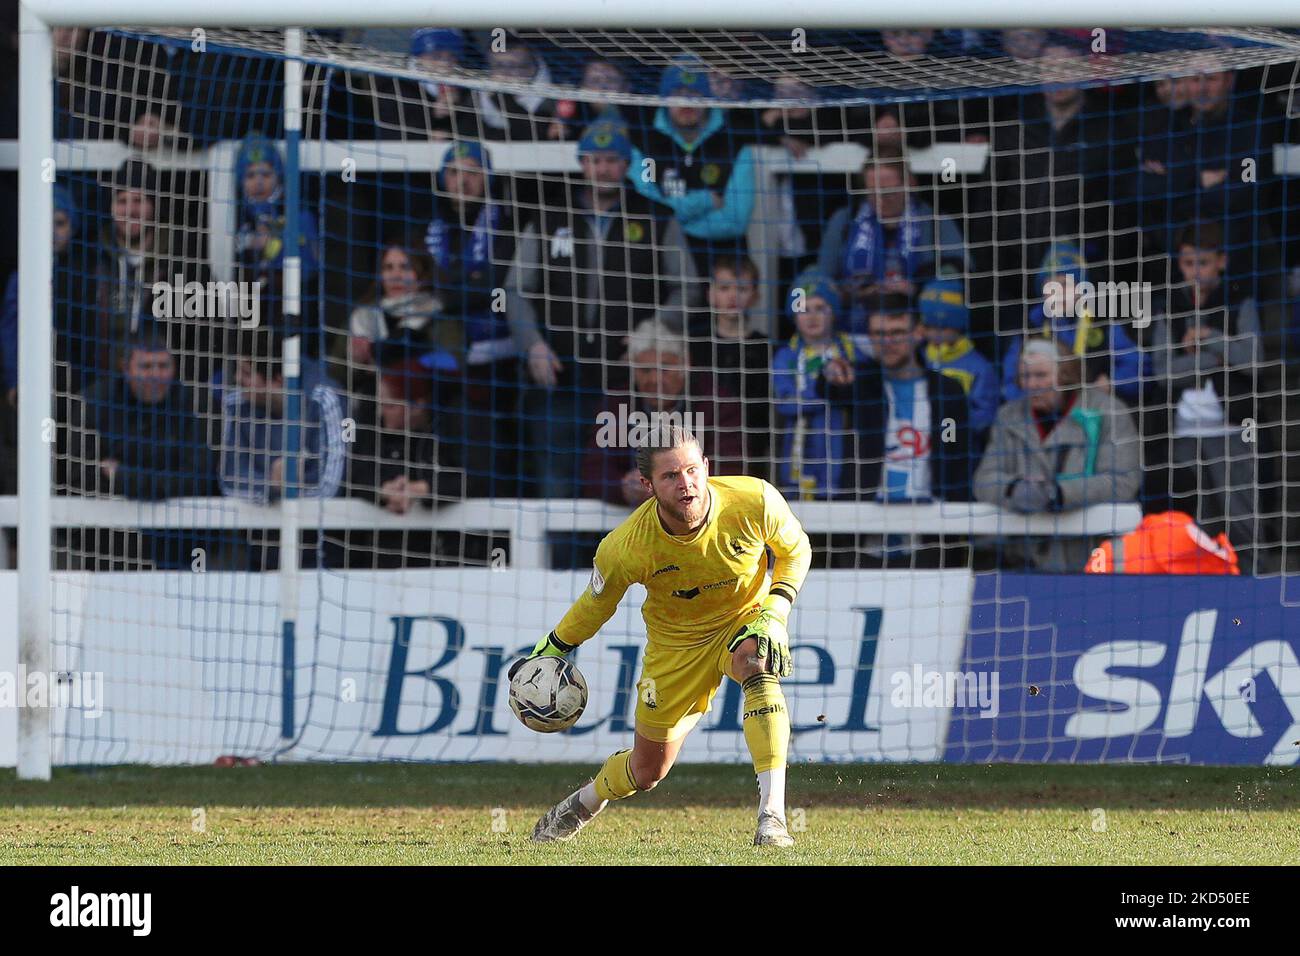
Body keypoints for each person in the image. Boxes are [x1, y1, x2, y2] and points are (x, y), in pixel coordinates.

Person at [520, 424, 812, 848]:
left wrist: (774, 613)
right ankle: (585, 801)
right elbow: (596, 603)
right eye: (670, 476)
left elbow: (795, 550)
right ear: (647, 484)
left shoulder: (755, 500)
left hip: (743, 619)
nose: (687, 484)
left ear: (706, 467)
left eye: (693, 470)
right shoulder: (625, 547)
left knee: (757, 660)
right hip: (675, 646)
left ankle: (772, 819)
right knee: (648, 772)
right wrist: (553, 646)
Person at [507, 119, 697, 498]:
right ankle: (561, 561)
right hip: (559, 377)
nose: (603, 169)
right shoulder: (549, 216)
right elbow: (515, 289)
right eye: (594, 160)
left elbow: (689, 289)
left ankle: (614, 561)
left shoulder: (656, 217)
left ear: (626, 164)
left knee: (620, 482)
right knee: (556, 479)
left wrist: (651, 333)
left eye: (612, 160)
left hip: (625, 383)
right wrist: (532, 345)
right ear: (583, 164)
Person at [974, 338, 1141, 571]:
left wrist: (1060, 493)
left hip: (1093, 558)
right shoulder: (1008, 416)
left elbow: (1123, 480)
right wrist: (1014, 489)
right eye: (1025, 376)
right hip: (1024, 559)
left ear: (1064, 375)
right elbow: (985, 478)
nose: (1031, 384)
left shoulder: (1109, 412)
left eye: (1041, 375)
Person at [73, 329, 219, 568]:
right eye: (146, 366)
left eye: (163, 366)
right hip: (111, 543)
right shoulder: (93, 403)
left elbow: (198, 479)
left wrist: (122, 476)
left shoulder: (196, 403)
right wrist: (162, 478)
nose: (155, 375)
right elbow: (80, 477)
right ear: (126, 368)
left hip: (184, 542)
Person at [583, 319, 742, 505]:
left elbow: (731, 469)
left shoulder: (715, 402)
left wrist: (672, 484)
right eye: (645, 370)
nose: (655, 379)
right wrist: (622, 486)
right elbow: (593, 471)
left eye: (665, 369)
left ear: (685, 365)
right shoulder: (615, 404)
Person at [817, 158, 968, 341]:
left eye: (890, 192)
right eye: (873, 193)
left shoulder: (935, 221)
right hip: (854, 324)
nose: (882, 200)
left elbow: (960, 269)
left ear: (909, 185)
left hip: (918, 329)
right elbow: (823, 278)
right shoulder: (845, 220)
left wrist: (919, 288)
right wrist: (848, 293)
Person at [629, 60, 758, 272]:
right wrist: (706, 200)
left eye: (694, 93)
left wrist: (674, 224)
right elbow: (649, 211)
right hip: (662, 267)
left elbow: (736, 220)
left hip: (723, 271)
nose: (686, 102)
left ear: (708, 97)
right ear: (664, 98)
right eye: (677, 93)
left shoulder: (735, 143)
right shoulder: (643, 145)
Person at [345, 358, 467, 569]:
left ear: (418, 406)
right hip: (378, 563)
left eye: (391, 406)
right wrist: (383, 491)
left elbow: (469, 481)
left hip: (438, 563)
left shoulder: (444, 435)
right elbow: (354, 474)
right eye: (381, 405)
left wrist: (421, 489)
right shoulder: (371, 434)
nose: (383, 413)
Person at [999, 243, 1148, 405]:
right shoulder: (1030, 327)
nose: (1057, 293)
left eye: (1065, 284)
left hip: (1091, 410)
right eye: (1050, 285)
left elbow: (1141, 367)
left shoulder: (1102, 323)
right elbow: (1009, 382)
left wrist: (1113, 382)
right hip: (1042, 414)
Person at [771, 274, 859, 500]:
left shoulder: (851, 350)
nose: (812, 316)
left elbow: (858, 396)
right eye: (803, 308)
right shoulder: (786, 356)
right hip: (797, 453)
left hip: (843, 449)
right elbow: (785, 404)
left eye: (820, 307)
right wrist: (827, 390)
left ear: (834, 311)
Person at [687, 255, 773, 478]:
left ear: (755, 296)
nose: (733, 296)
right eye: (724, 288)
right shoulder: (694, 343)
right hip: (698, 445)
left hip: (752, 449)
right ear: (710, 294)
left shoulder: (765, 348)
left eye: (742, 289)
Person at [917, 278, 999, 440]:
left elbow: (984, 413)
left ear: (957, 326)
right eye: (929, 327)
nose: (934, 333)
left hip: (959, 440)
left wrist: (954, 426)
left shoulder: (978, 367)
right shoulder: (919, 359)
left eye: (942, 327)